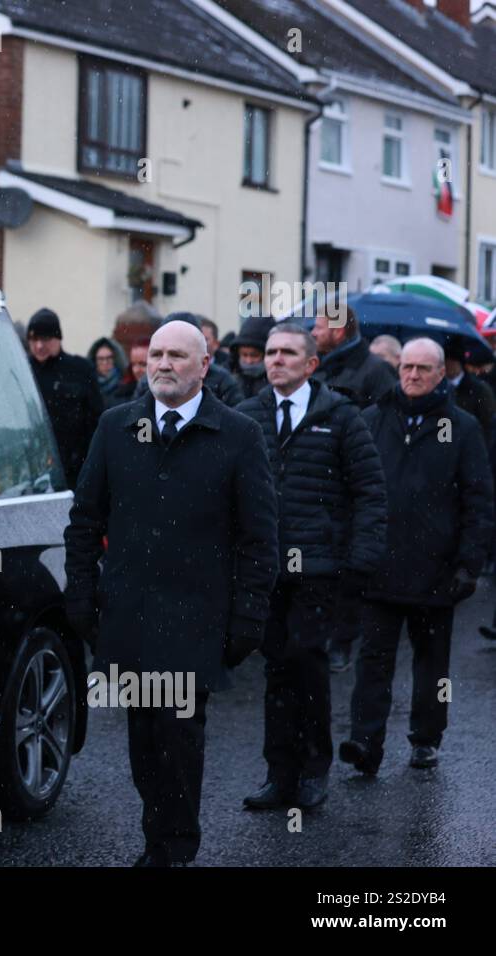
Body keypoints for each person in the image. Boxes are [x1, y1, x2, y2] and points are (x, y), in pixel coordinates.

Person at [64, 320, 278, 867]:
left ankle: (172, 851)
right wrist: (82, 599)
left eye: (177, 355)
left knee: (177, 743)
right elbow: (85, 521)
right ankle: (160, 837)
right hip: (128, 617)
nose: (162, 363)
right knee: (142, 744)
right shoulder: (116, 426)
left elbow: (259, 538)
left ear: (205, 365)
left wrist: (248, 620)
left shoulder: (237, 435)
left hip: (195, 620)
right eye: (156, 353)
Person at [235, 324, 386, 812]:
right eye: (271, 352)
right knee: (276, 669)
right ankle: (279, 773)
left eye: (287, 353)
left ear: (311, 364)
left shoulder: (340, 417)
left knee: (307, 663)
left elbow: (369, 490)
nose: (275, 360)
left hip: (319, 567)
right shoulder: (248, 416)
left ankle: (313, 769)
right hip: (265, 567)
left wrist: (360, 560)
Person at [341, 338, 493, 774]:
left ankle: (427, 737)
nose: (411, 375)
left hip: (436, 568)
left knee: (432, 663)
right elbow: (355, 491)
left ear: (440, 373)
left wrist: (469, 564)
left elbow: (478, 500)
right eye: (406, 366)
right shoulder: (372, 419)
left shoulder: (461, 427)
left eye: (423, 368)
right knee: (373, 659)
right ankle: (364, 742)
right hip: (380, 564)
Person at [26, 308, 105, 489]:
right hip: (32, 466)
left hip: (75, 467)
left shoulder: (80, 370)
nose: (39, 346)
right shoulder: (22, 369)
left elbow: (96, 419)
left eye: (45, 339)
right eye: (33, 339)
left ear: (58, 338)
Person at [135, 313, 244, 407]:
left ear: (203, 364)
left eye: (176, 355)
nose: (164, 365)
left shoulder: (223, 381)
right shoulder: (146, 384)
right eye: (156, 354)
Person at [311, 304, 397, 409]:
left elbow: (385, 415)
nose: (313, 333)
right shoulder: (315, 365)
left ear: (338, 332)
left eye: (318, 328)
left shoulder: (377, 369)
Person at [230, 315, 274, 401]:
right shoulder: (229, 379)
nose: (248, 361)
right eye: (244, 355)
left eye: (254, 355)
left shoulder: (277, 381)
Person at [87, 336, 129, 409]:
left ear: (115, 359)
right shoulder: (88, 387)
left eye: (109, 358)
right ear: (94, 361)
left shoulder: (126, 387)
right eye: (100, 359)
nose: (105, 363)